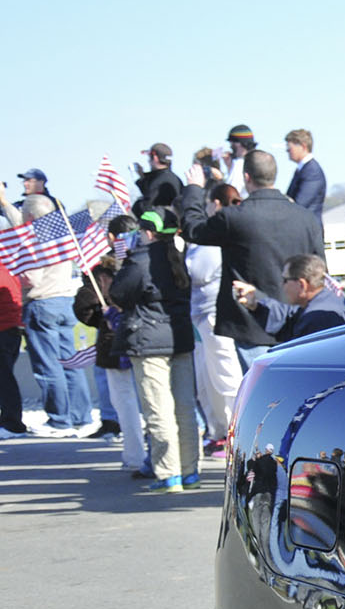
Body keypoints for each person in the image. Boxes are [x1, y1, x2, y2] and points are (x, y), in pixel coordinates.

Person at [177, 148, 325, 369]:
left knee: (260, 388)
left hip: (252, 322)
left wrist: (194, 189)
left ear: (247, 177)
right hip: (297, 320)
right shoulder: (306, 218)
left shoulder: (234, 218)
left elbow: (192, 228)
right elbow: (320, 269)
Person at [112, 207, 199, 492]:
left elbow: (118, 294)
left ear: (148, 233)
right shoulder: (179, 257)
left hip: (149, 342)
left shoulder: (140, 260)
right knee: (184, 408)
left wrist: (122, 264)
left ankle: (168, 474)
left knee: (158, 409)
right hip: (180, 337)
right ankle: (189, 471)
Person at [15, 193, 95, 436]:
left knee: (48, 366)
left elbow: (31, 278)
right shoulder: (61, 235)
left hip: (42, 302)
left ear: (30, 216)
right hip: (65, 301)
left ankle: (59, 419)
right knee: (71, 363)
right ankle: (81, 416)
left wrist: (16, 273)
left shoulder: (34, 239)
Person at [73, 247, 147, 474]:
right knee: (152, 400)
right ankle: (165, 458)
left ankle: (135, 456)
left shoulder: (104, 275)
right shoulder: (146, 263)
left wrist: (105, 318)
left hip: (117, 342)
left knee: (125, 401)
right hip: (147, 337)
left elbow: (83, 307)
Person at [187, 183, 243, 458]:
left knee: (225, 378)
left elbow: (198, 270)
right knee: (207, 381)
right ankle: (219, 432)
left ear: (217, 203)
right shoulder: (212, 232)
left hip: (213, 314)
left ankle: (234, 435)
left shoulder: (216, 234)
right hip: (200, 316)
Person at [233, 253, 345, 342]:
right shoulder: (325, 301)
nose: (283, 285)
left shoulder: (316, 318)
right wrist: (255, 306)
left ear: (302, 284)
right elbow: (288, 317)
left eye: (285, 280)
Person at [0, 255, 25, 436]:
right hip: (10, 327)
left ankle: (12, 422)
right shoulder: (8, 269)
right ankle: (10, 419)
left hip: (4, 328)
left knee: (4, 377)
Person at [282, 129, 327, 220]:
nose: (287, 151)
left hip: (309, 226)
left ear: (303, 146)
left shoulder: (312, 171)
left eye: (289, 148)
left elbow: (300, 204)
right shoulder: (303, 169)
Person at [133, 143, 182, 214]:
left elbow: (146, 207)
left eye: (149, 158)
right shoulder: (176, 179)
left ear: (155, 158)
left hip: (160, 220)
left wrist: (138, 205)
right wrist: (142, 178)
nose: (148, 161)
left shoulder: (159, 181)